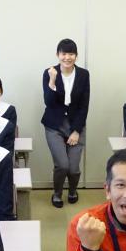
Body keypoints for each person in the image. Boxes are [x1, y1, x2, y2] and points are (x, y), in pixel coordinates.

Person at [41, 38, 90, 208]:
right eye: (64, 54)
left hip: (76, 124)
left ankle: (72, 190)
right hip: (54, 124)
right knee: (62, 165)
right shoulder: (49, 72)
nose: (67, 57)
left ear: (76, 56)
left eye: (71, 54)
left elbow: (84, 105)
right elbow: (49, 102)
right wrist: (52, 81)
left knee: (74, 168)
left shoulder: (84, 74)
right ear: (58, 55)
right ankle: (57, 193)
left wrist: (76, 131)